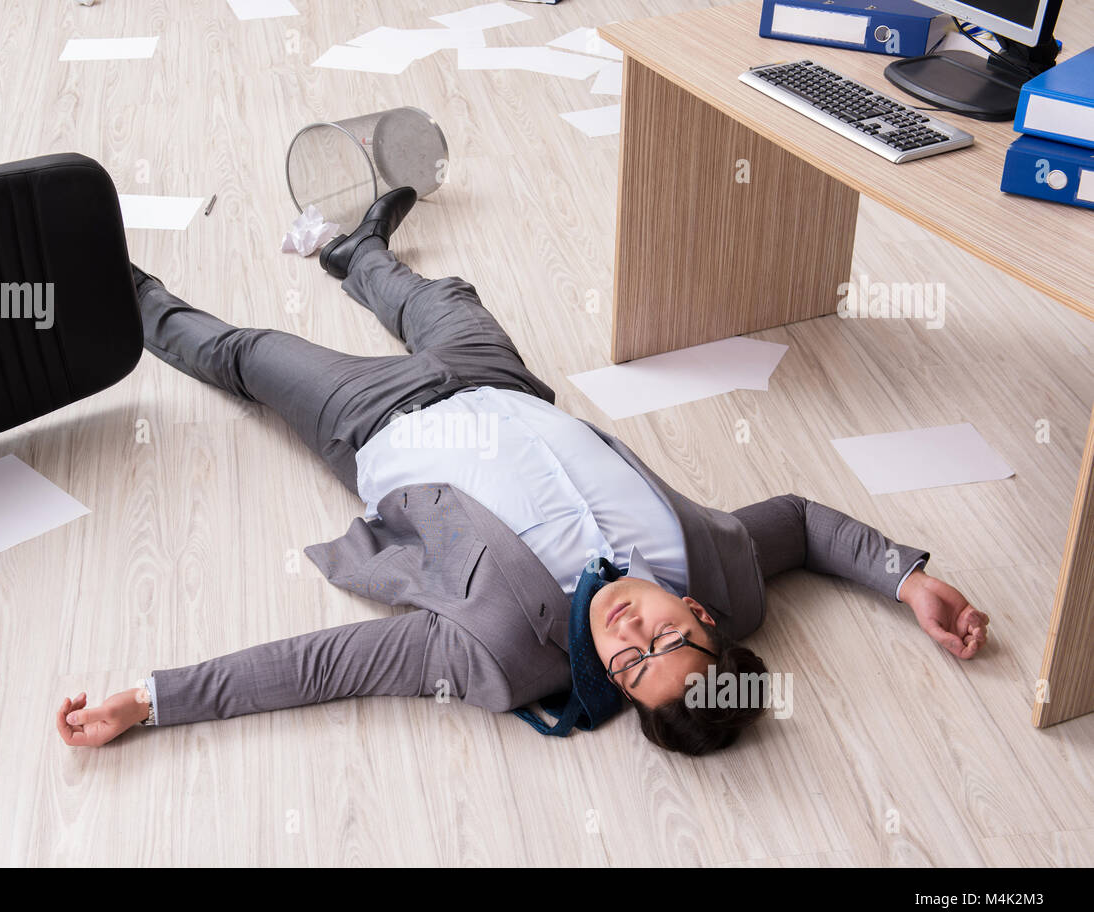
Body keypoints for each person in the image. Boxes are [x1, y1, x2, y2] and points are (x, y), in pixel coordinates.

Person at [55, 188, 989, 755]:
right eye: (670, 640)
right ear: (704, 618)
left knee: (245, 353)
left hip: (376, 425)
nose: (632, 635)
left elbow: (324, 667)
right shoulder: (725, 565)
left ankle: (102, 271)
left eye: (631, 667)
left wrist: (147, 699)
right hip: (500, 384)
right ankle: (355, 251)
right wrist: (908, 580)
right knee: (438, 297)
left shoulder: (501, 653)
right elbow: (806, 521)